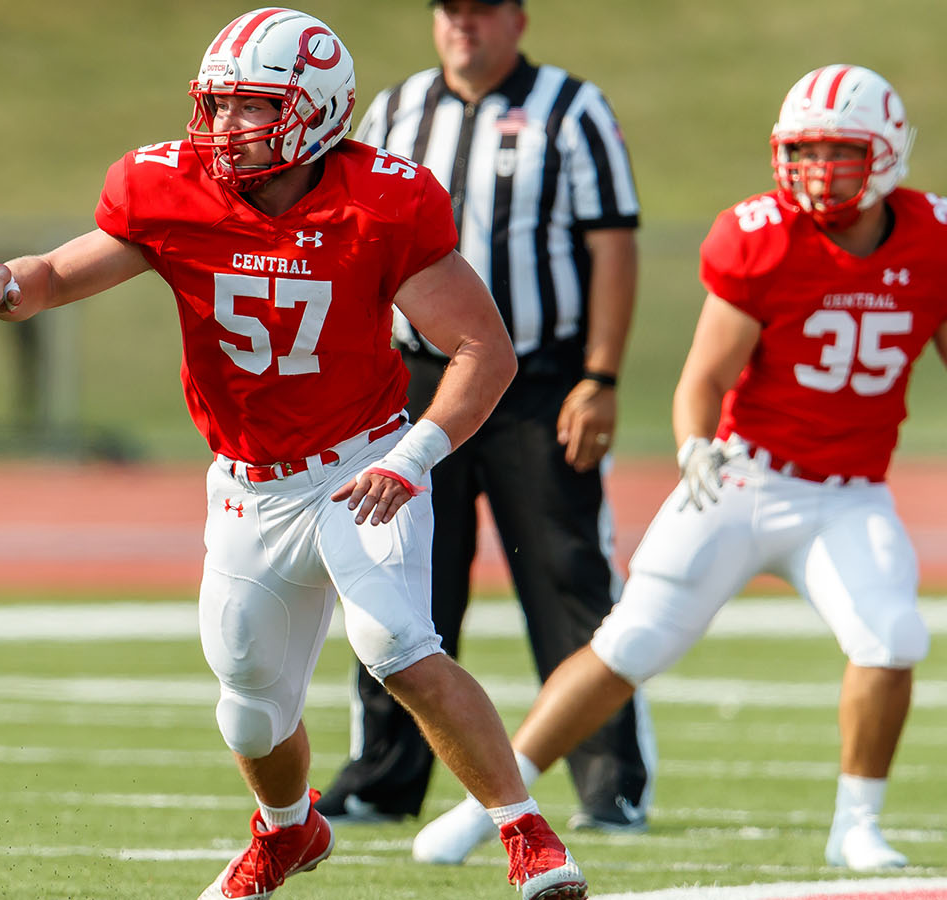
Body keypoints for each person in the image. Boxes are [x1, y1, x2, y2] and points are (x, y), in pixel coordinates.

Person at [0, 9, 587, 899]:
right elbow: (60, 273)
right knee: (249, 705)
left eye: (251, 106)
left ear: (319, 109)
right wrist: (12, 285)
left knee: (397, 643)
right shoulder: (167, 187)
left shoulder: (383, 201)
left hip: (360, 465)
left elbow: (483, 350)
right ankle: (290, 833)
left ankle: (528, 835)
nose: (223, 128)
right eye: (216, 105)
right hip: (249, 486)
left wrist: (412, 459)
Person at [499, 63, 947, 872]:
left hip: (847, 496)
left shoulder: (941, 239)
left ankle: (855, 825)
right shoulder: (762, 234)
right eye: (804, 149)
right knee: (631, 644)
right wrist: (694, 444)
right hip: (739, 479)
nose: (818, 168)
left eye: (840, 149)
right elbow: (704, 375)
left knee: (892, 635)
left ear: (890, 151)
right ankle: (499, 804)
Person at [318, 0, 655, 859]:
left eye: (481, 8)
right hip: (416, 380)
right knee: (399, 578)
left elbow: (613, 244)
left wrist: (601, 376)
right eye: (449, 9)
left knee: (568, 573)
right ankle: (383, 777)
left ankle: (609, 783)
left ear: (518, 17)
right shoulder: (395, 109)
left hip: (540, 381)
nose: (463, 23)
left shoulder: (573, 108)